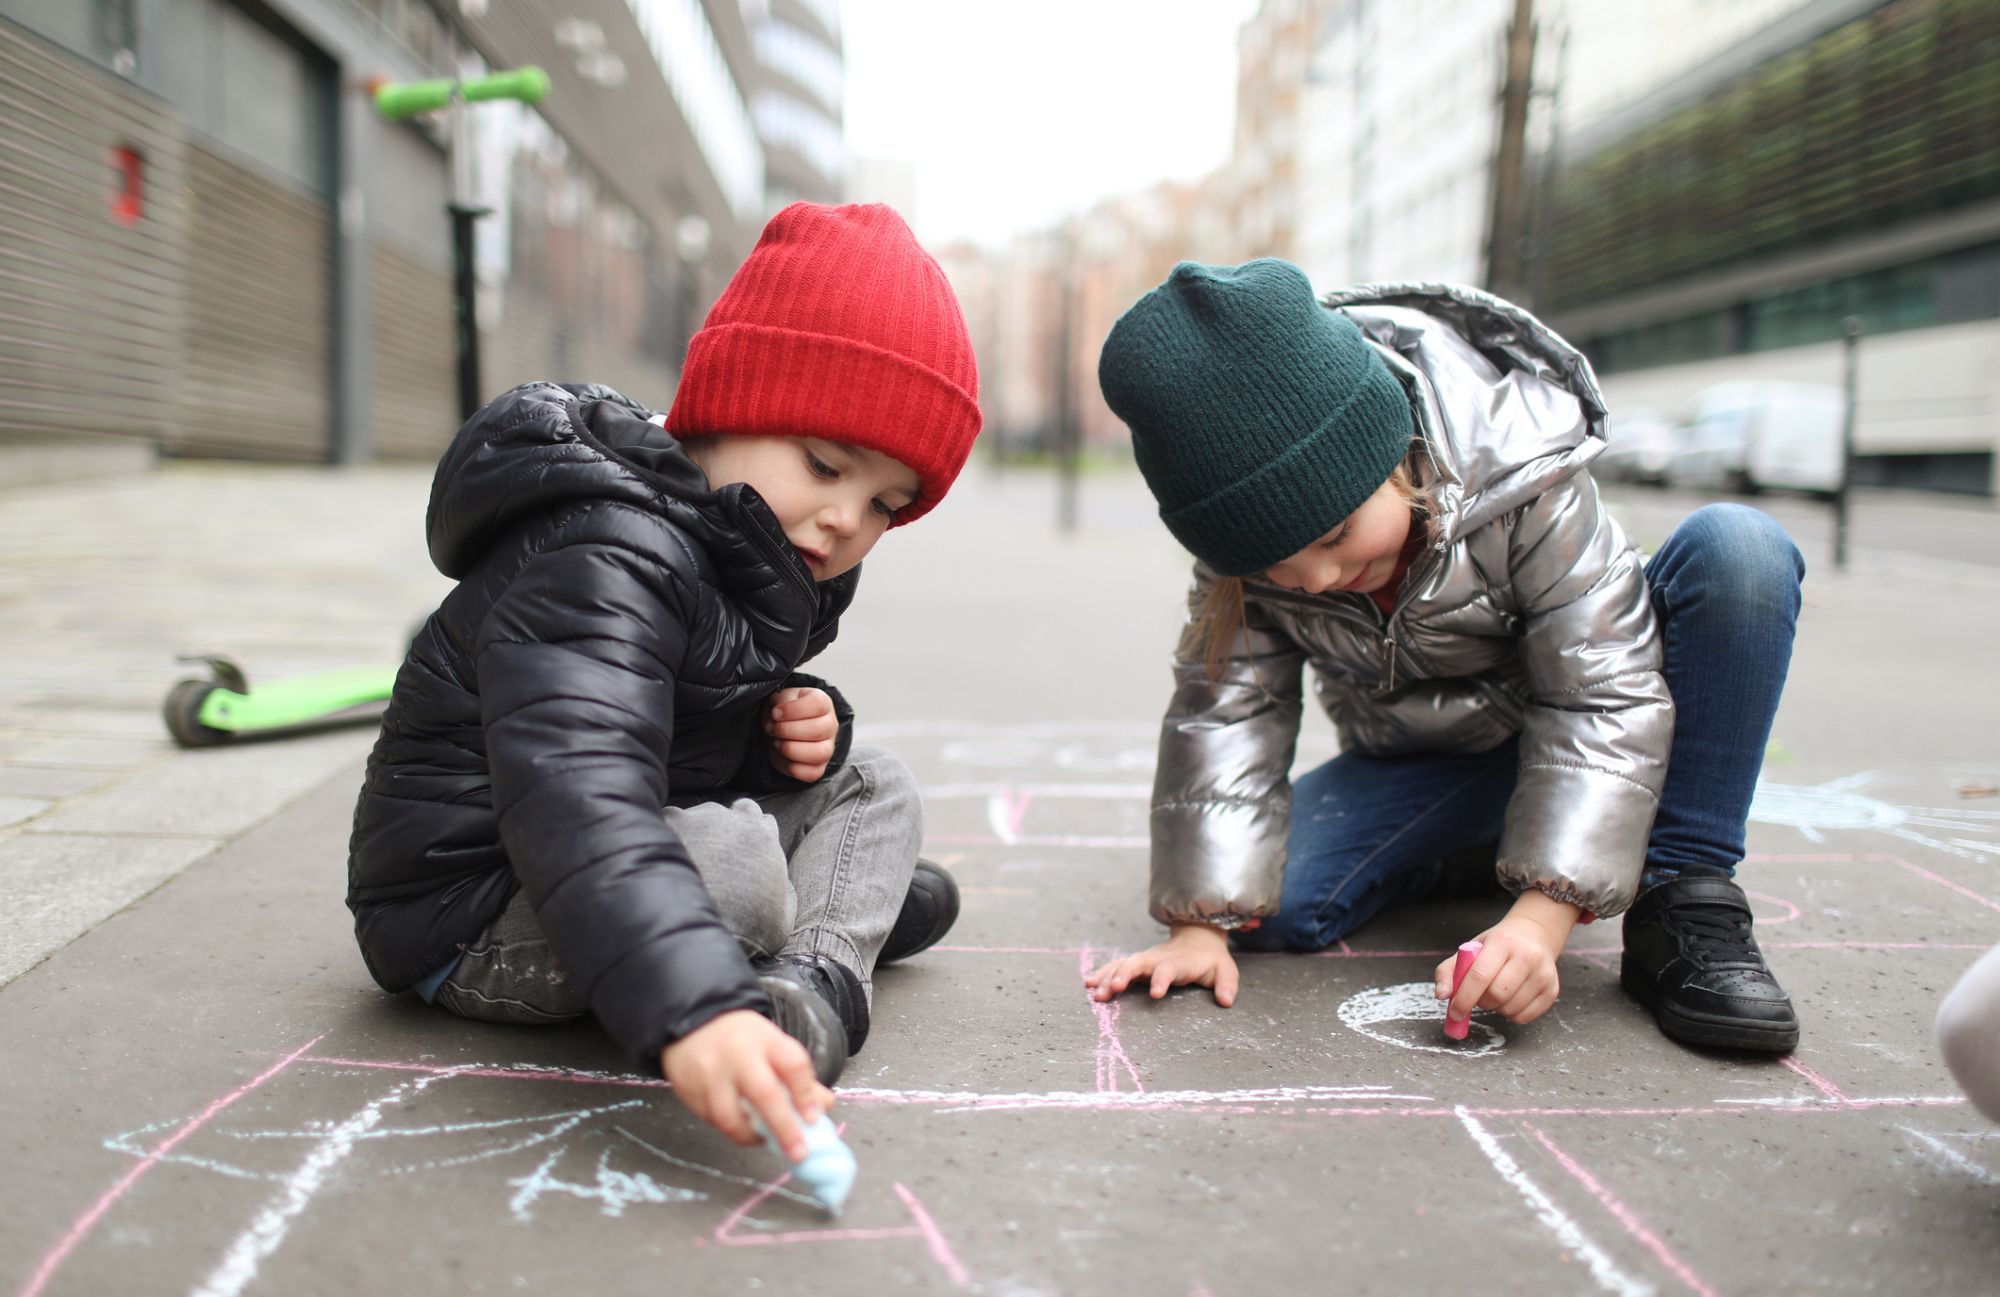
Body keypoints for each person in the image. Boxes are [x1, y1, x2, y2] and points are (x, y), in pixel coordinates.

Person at [346, 202, 977, 1161]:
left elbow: (674, 730)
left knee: (874, 782)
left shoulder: (753, 543)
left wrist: (777, 731)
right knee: (740, 870)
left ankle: (814, 978)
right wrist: (696, 1008)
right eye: (824, 465)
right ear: (730, 406)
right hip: (474, 905)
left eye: (886, 504)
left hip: (621, 844)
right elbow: (581, 790)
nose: (848, 519)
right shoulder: (606, 552)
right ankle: (813, 918)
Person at [1084, 260, 1804, 1053]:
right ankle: (1493, 846)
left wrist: (1541, 919)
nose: (1316, 579)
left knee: (1741, 551)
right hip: (1441, 759)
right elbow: (1226, 714)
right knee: (1269, 909)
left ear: (1392, 453)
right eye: (1277, 568)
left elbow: (1600, 692)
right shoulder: (1250, 564)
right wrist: (1200, 927)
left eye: (1336, 536)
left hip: (1596, 704)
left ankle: (1681, 894)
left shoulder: (1524, 474)